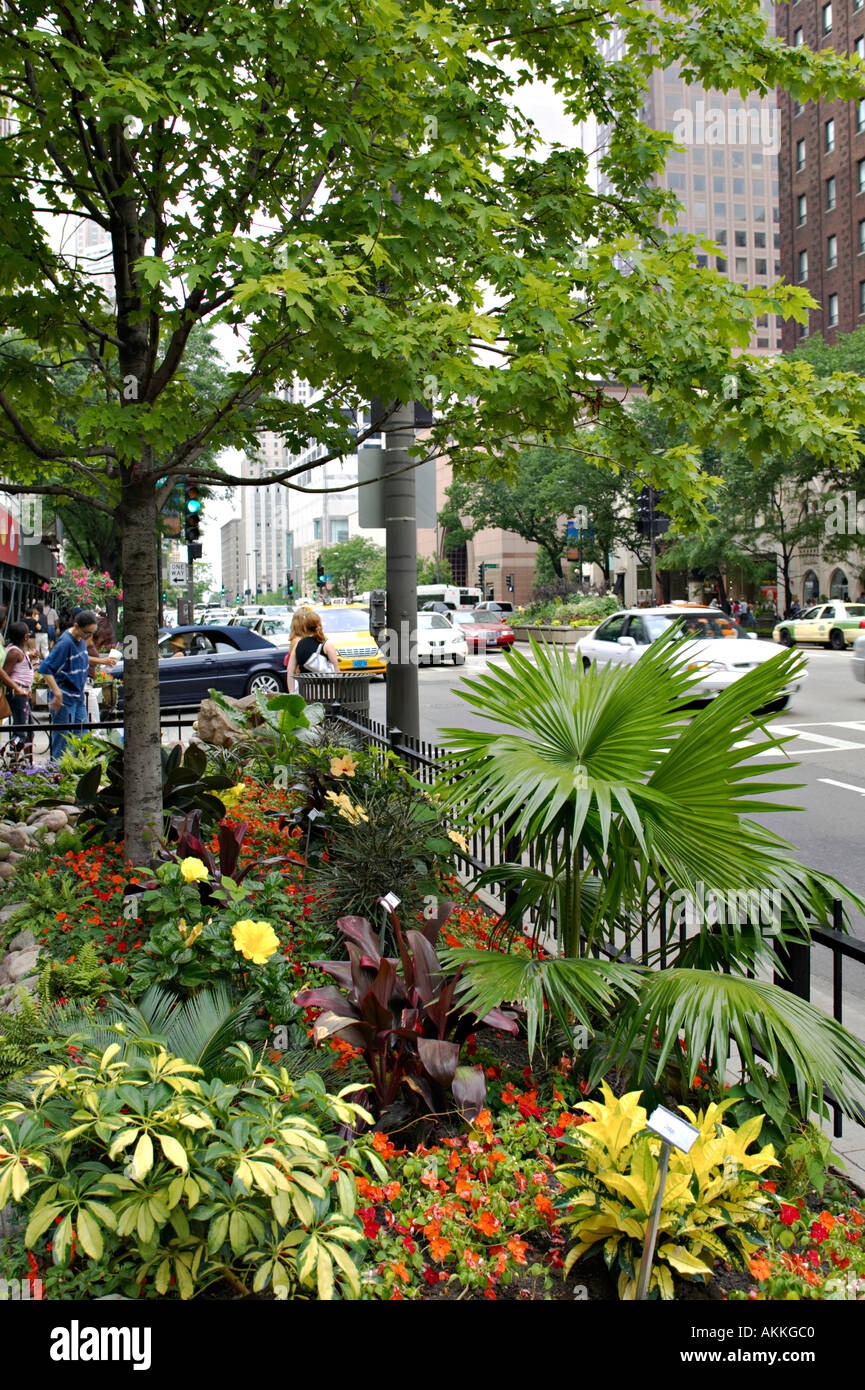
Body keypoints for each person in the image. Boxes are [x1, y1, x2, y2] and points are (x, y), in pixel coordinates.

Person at [38, 608, 99, 759]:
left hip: (77, 697)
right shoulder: (65, 643)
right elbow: (46, 668)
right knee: (62, 739)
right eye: (87, 633)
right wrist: (57, 692)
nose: (89, 637)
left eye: (92, 633)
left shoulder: (80, 639)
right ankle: (57, 773)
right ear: (76, 626)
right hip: (65, 698)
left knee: (82, 737)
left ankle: (78, 770)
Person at [0, 620, 35, 759]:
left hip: (23, 694)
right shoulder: (14, 652)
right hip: (18, 696)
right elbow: (5, 674)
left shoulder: (18, 651)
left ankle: (26, 761)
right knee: (21, 731)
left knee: (29, 730)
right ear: (25, 637)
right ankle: (13, 757)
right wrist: (18, 689)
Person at [284, 610, 339, 694]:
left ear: (305, 627)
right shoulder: (326, 644)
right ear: (319, 625)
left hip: (305, 692)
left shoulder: (298, 645)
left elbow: (290, 670)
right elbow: (336, 670)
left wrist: (292, 691)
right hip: (325, 693)